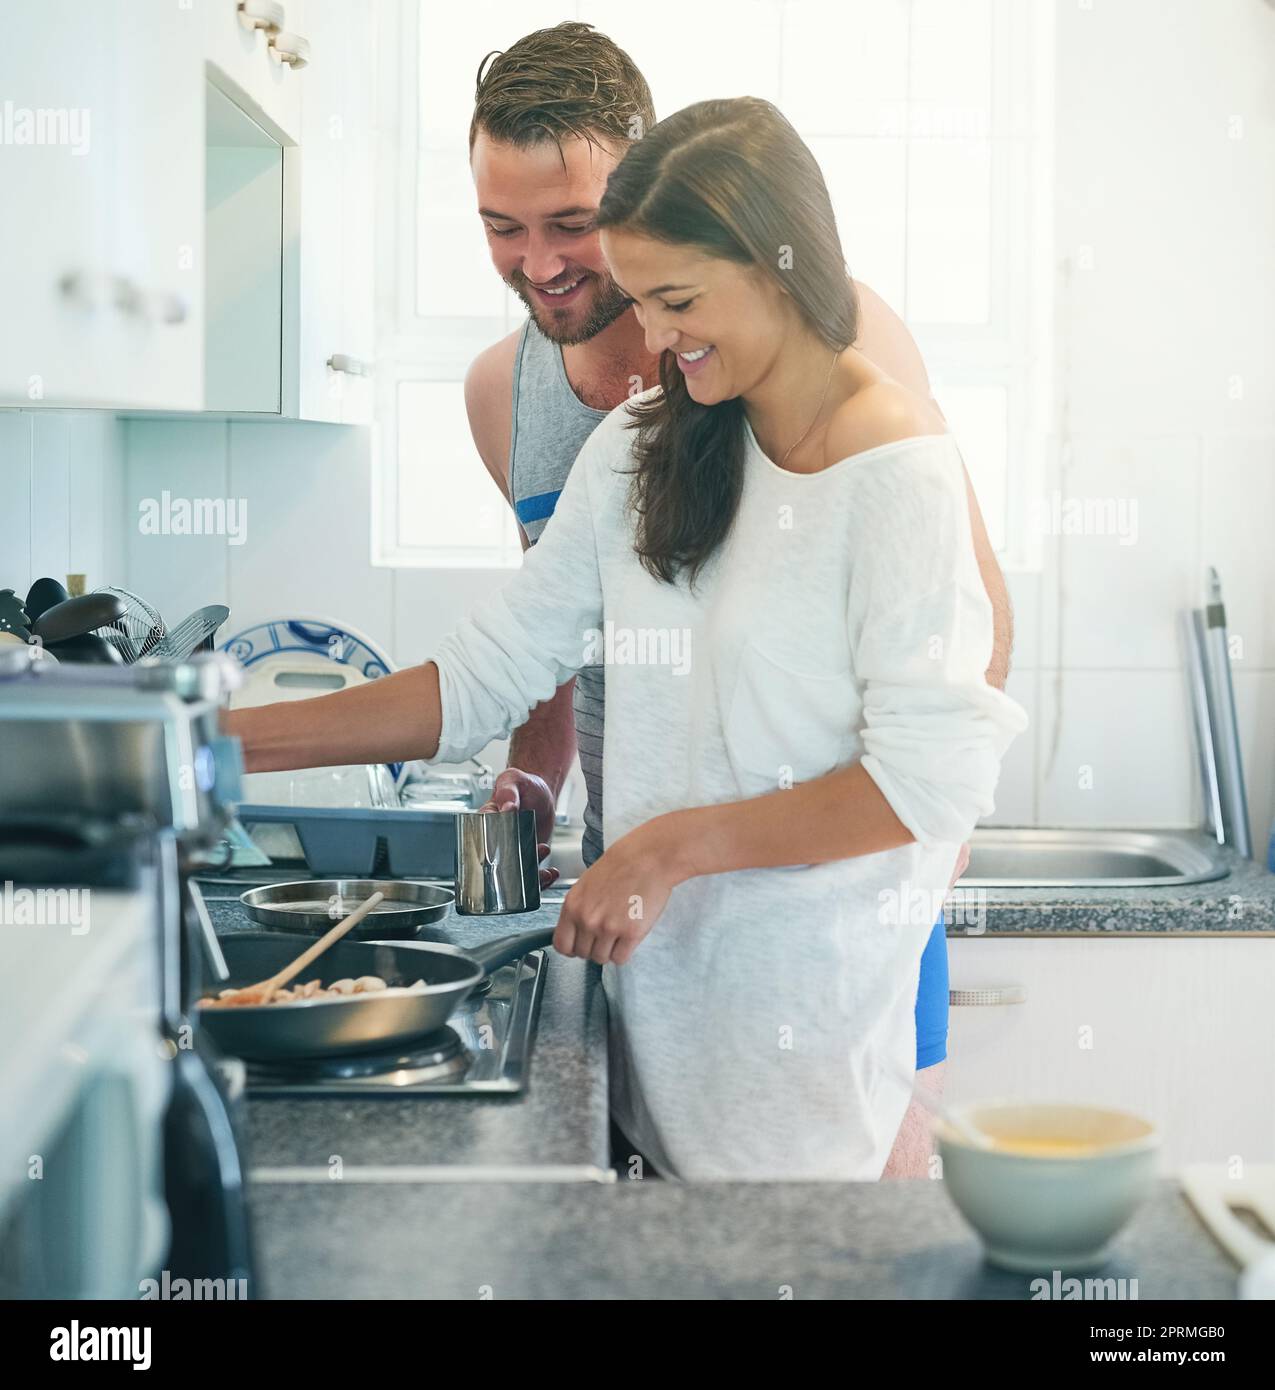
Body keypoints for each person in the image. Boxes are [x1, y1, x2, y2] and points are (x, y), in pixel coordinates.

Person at [225, 94, 1029, 1181]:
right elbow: (482, 673)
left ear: (776, 266)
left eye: (677, 301)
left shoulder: (894, 467)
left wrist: (666, 847)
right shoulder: (647, 441)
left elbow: (929, 785)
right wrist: (221, 745)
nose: (652, 338)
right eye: (642, 301)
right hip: (661, 1021)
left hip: (810, 1048)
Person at [460, 23, 1012, 1175]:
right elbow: (553, 636)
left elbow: (973, 632)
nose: (544, 263)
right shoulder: (503, 391)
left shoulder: (833, 335)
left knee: (859, 1193)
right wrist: (533, 781)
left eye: (571, 224)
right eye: (502, 229)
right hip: (659, 890)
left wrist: (893, 874)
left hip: (815, 880)